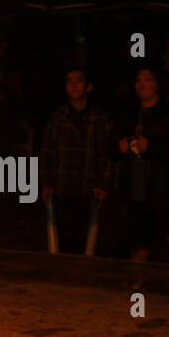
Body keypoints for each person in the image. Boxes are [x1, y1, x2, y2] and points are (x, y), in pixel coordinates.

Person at [114, 64, 169, 265]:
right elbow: (113, 145)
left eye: (148, 79)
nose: (142, 84)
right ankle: (136, 286)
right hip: (137, 185)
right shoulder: (130, 112)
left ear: (157, 83)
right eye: (139, 80)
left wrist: (152, 147)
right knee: (140, 242)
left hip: (163, 187)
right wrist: (118, 148)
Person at [41, 67, 113, 255]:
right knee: (62, 240)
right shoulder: (58, 117)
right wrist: (47, 182)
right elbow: (47, 150)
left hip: (89, 188)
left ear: (88, 87)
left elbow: (107, 154)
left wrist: (104, 184)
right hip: (62, 187)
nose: (73, 85)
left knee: (89, 242)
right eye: (69, 81)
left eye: (78, 80)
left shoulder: (100, 118)